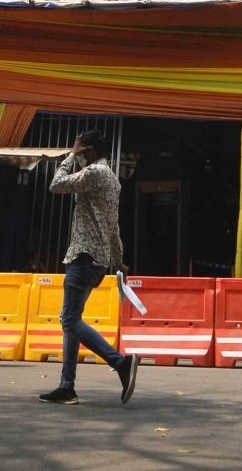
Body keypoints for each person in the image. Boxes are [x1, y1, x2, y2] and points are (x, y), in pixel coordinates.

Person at [38, 129, 138, 407]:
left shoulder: (93, 173)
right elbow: (113, 226)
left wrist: (69, 157)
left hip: (83, 257)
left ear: (90, 151)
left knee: (69, 320)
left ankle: (120, 362)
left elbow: (56, 185)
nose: (78, 155)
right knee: (72, 321)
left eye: (81, 150)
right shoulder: (113, 181)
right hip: (98, 259)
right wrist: (118, 259)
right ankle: (67, 386)